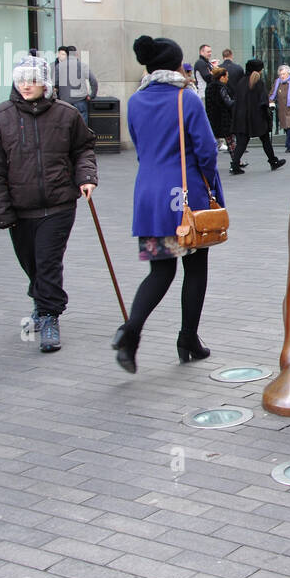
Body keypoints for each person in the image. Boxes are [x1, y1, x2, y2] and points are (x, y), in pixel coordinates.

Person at [112, 36, 223, 373]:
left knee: (160, 271)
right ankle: (187, 338)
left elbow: (140, 147)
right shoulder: (186, 99)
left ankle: (131, 331)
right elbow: (206, 152)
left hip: (149, 197)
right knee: (195, 267)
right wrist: (215, 192)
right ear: (177, 65)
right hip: (186, 198)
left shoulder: (135, 101)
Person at [0, 55, 97, 353]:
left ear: (45, 83)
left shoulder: (66, 114)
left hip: (58, 204)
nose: (26, 86)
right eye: (21, 79)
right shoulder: (0, 116)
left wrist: (86, 177)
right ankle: (41, 297)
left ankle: (49, 316)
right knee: (30, 263)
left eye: (33, 80)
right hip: (20, 207)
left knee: (47, 262)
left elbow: (83, 148)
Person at [235, 59, 285, 173]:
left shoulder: (241, 82)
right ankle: (273, 161)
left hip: (242, 117)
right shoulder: (258, 82)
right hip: (257, 117)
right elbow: (263, 101)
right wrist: (268, 112)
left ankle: (235, 164)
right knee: (265, 139)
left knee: (242, 141)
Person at [54, 45, 99, 125]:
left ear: (67, 54)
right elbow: (93, 81)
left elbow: (55, 84)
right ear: (76, 54)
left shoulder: (59, 66)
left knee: (66, 127)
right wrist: (92, 95)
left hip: (65, 101)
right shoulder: (83, 66)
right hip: (80, 100)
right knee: (82, 127)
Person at [271, 64, 290, 153]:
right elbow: (272, 93)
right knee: (287, 128)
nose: (282, 76)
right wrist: (271, 102)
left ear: (289, 73)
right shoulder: (277, 82)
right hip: (283, 109)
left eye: (284, 74)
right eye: (280, 74)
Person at [205, 65, 234, 154]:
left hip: (212, 118)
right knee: (231, 141)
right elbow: (227, 102)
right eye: (227, 76)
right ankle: (236, 162)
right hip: (223, 118)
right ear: (222, 77)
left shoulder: (209, 87)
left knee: (211, 141)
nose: (227, 79)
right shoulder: (222, 88)